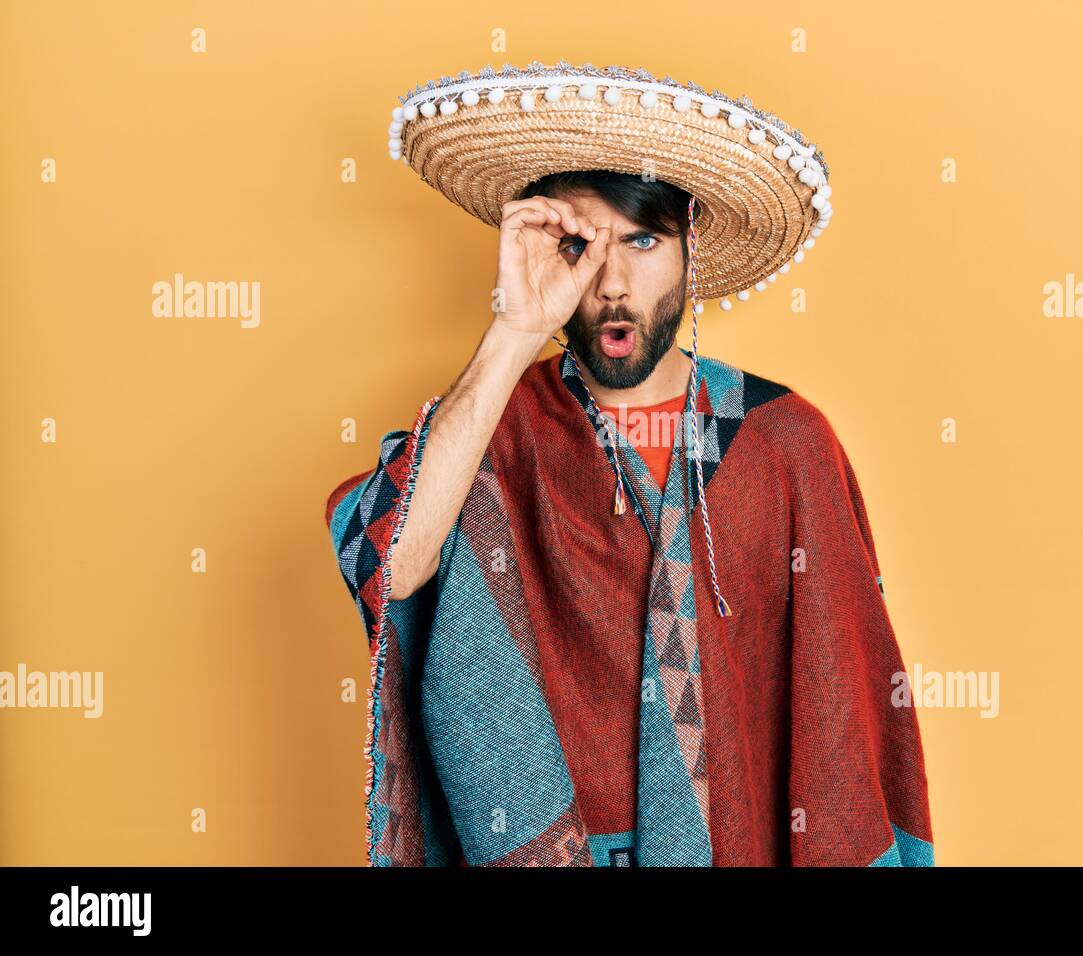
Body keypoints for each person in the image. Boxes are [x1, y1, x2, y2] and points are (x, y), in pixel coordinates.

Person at [325, 61, 934, 867]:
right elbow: (393, 563)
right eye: (579, 244)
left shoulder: (785, 442)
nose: (612, 282)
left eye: (643, 241)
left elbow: (841, 704)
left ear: (692, 250)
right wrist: (513, 329)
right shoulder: (492, 434)